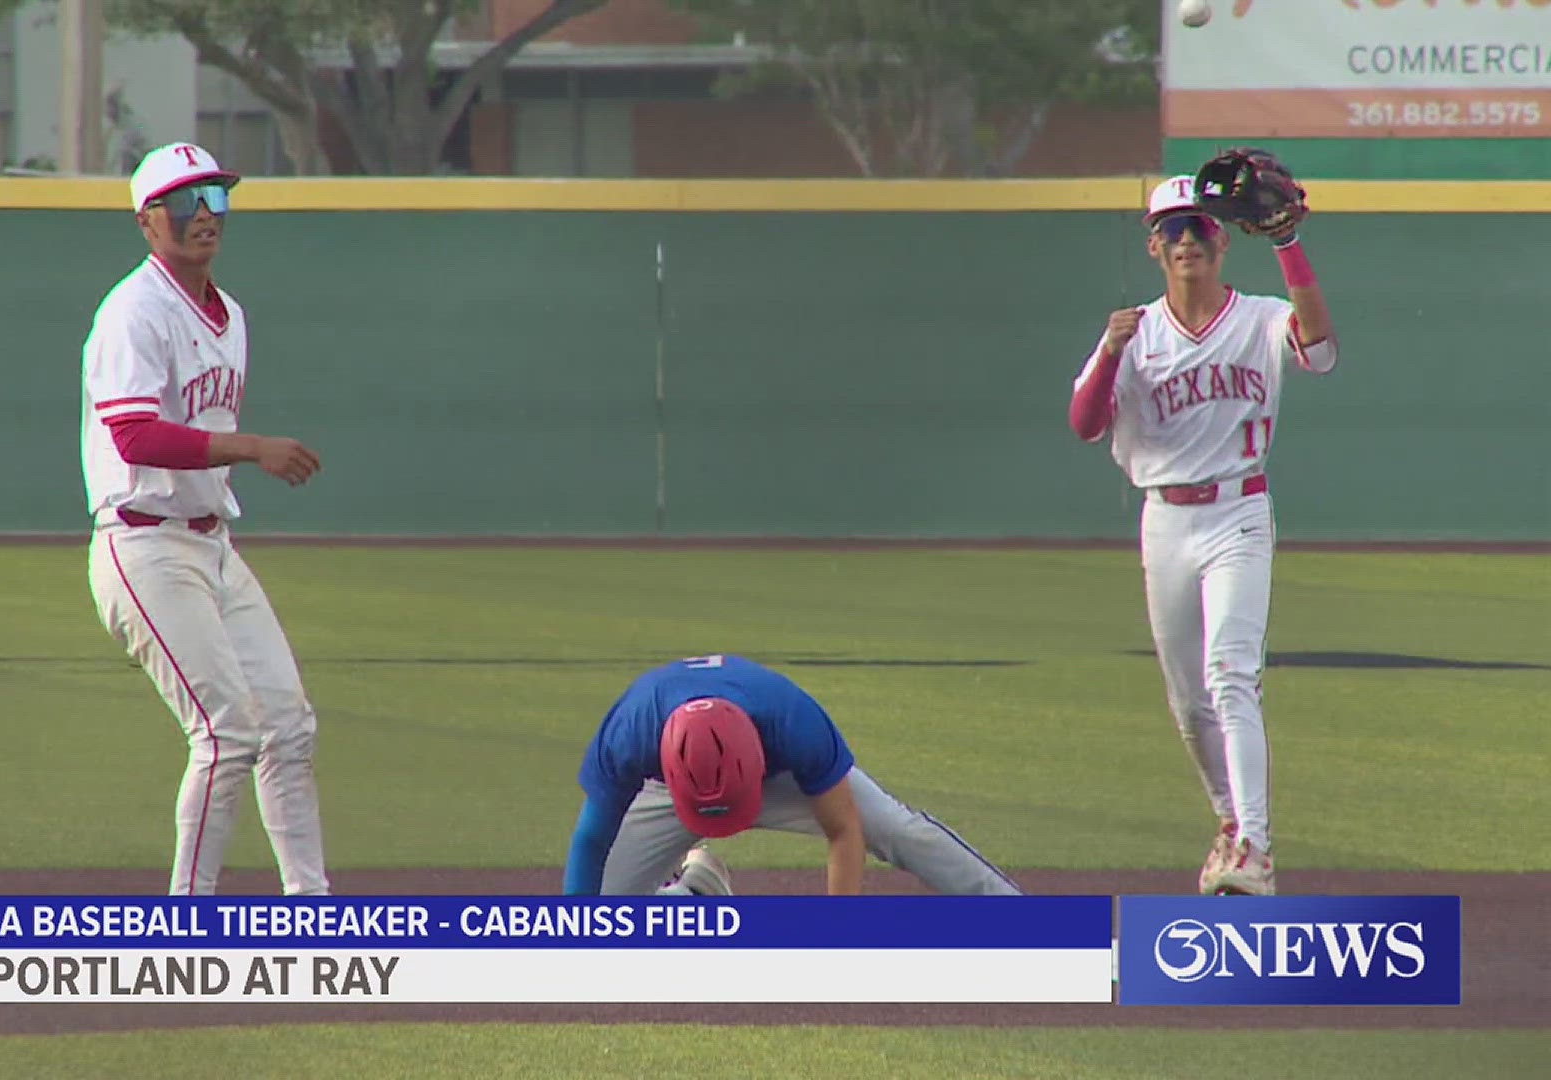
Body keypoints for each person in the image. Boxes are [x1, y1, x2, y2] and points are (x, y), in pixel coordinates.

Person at [1066, 171, 1337, 896]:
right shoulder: (1132, 331)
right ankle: (1227, 820)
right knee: (1188, 700)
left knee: (1231, 674)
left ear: (1222, 239)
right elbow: (1086, 423)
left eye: (1201, 227)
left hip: (1239, 511)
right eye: (1174, 230)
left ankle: (1255, 845)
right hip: (1165, 519)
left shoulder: (1257, 317)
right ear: (1154, 246)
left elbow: (1318, 346)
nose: (1188, 239)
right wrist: (1111, 352)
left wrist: (1289, 244)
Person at [81, 142, 330, 896]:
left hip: (212, 543)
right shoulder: (133, 310)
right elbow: (136, 434)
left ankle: (312, 914)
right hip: (143, 542)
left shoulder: (231, 314)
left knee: (289, 727)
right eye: (187, 202)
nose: (205, 216)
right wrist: (252, 446)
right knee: (226, 735)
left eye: (216, 198)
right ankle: (186, 921)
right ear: (147, 220)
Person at [562, 654, 1022, 897]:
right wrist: (575, 941)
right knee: (609, 910)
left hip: (784, 776)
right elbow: (590, 841)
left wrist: (836, 936)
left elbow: (844, 829)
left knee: (892, 826)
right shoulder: (629, 733)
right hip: (672, 787)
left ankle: (1019, 916)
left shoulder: (793, 722)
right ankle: (693, 897)